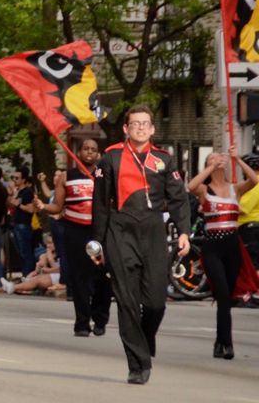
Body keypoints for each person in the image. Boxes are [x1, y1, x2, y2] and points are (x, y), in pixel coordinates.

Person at [91, 105, 190, 385]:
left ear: (153, 129)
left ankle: (144, 339)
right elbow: (100, 204)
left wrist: (184, 232)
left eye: (145, 123)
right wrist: (97, 243)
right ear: (126, 128)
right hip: (119, 230)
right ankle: (137, 364)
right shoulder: (110, 158)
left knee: (156, 302)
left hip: (153, 230)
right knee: (127, 301)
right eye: (135, 124)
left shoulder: (163, 159)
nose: (141, 128)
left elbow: (179, 199)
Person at [186, 150, 257, 360]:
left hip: (232, 246)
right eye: (212, 158)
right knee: (223, 293)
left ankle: (221, 341)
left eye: (220, 159)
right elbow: (190, 187)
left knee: (227, 297)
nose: (218, 161)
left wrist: (238, 161)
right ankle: (226, 343)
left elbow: (254, 180)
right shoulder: (204, 190)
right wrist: (210, 166)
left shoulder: (235, 188)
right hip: (212, 246)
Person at [40, 138, 111, 337]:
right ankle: (82, 323)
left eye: (93, 150)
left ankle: (100, 318)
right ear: (78, 152)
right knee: (79, 278)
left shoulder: (104, 174)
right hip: (75, 231)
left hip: (99, 232)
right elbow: (57, 206)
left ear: (98, 154)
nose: (89, 152)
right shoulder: (66, 176)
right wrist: (44, 206)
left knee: (103, 278)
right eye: (85, 148)